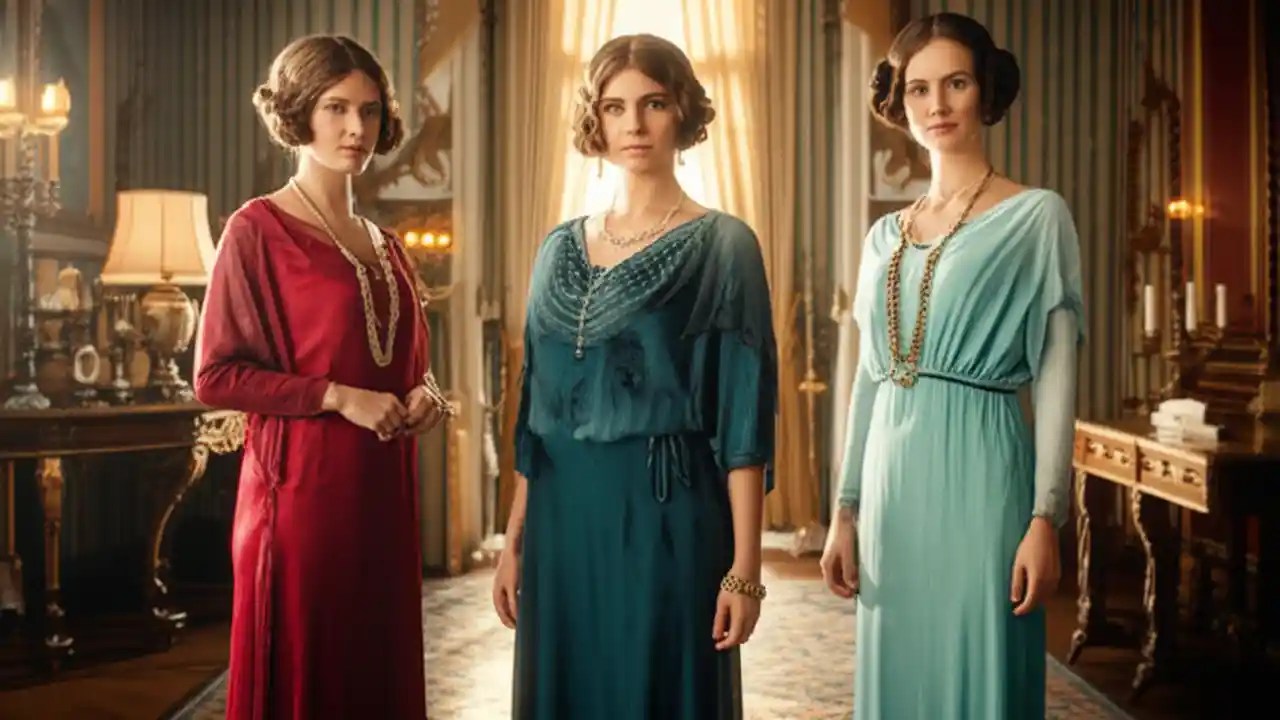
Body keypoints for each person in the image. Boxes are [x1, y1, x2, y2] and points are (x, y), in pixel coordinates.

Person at [490, 33, 778, 720]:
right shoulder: (556, 247)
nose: (635, 124)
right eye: (614, 107)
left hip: (666, 513)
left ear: (683, 111)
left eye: (653, 103)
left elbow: (743, 420)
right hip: (562, 517)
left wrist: (746, 571)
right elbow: (536, 410)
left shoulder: (724, 245)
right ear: (595, 119)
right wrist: (514, 541)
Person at [819, 12, 1084, 719]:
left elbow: (1057, 376)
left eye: (956, 83)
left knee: (979, 674)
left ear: (984, 90)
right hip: (889, 492)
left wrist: (1046, 517)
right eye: (919, 88)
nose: (936, 104)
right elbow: (869, 379)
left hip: (983, 477)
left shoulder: (1037, 217)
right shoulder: (882, 237)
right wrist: (845, 509)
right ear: (899, 101)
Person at [193, 34, 450, 719]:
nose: (355, 128)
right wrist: (337, 396)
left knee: (375, 674)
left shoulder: (387, 245)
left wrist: (425, 397)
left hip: (383, 499)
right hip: (300, 500)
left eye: (369, 110)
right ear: (299, 112)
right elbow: (215, 375)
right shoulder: (256, 229)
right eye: (336, 108)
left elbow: (412, 366)